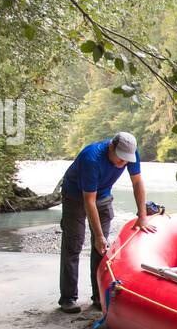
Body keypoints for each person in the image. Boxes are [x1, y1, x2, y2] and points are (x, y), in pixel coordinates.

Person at [58, 131, 156, 313]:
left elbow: (137, 182)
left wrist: (142, 216)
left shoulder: (131, 152)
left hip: (103, 196)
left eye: (126, 160)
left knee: (101, 248)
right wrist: (98, 235)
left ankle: (98, 296)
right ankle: (68, 298)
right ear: (111, 147)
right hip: (75, 196)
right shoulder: (91, 158)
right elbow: (89, 201)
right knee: (73, 245)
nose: (122, 163)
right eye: (120, 158)